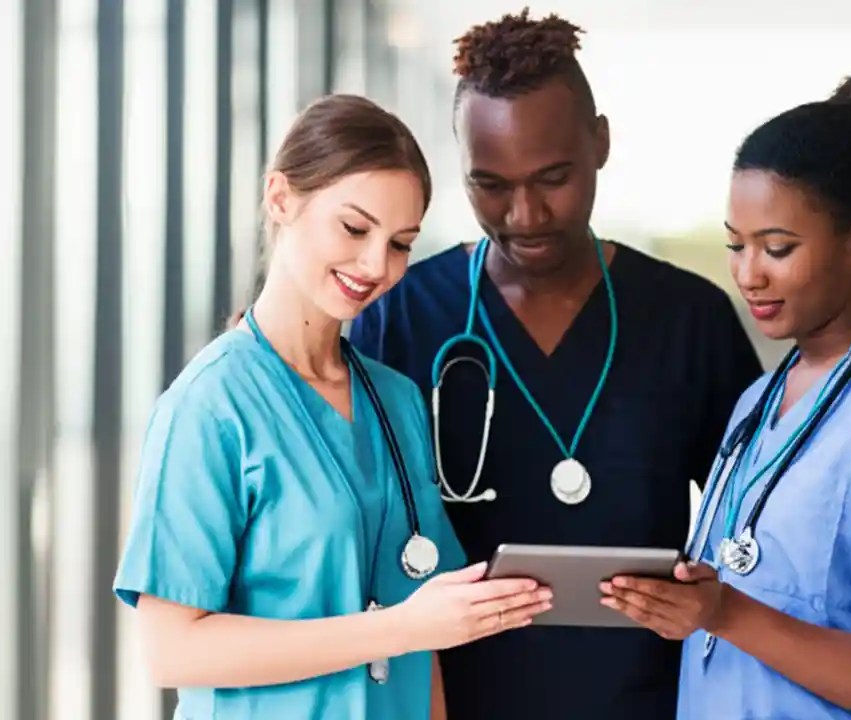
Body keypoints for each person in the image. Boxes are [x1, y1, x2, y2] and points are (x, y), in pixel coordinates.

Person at [348, 9, 763, 720]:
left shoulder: (689, 320)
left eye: (553, 177)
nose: (525, 214)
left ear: (600, 141)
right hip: (451, 701)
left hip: (643, 702)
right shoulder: (400, 316)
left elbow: (754, 530)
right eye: (491, 184)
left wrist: (708, 597)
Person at [112, 94, 553, 720]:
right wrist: (397, 629)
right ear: (280, 199)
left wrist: (418, 633)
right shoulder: (210, 407)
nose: (376, 264)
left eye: (400, 243)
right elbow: (171, 650)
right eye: (354, 228)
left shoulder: (396, 401)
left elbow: (424, 643)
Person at [601, 77, 851, 719]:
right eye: (736, 245)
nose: (748, 273)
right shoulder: (759, 401)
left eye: (778, 248)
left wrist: (725, 612)